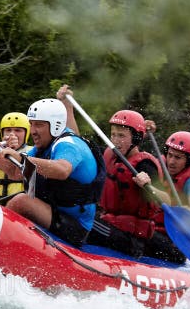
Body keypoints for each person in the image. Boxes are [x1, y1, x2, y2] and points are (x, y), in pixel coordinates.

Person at [56, 85, 182, 262]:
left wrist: (148, 185)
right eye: (113, 135)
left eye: (121, 136)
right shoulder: (109, 154)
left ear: (136, 138)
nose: (115, 140)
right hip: (111, 225)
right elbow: (76, 142)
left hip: (131, 239)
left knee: (85, 222)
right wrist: (67, 106)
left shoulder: (144, 164)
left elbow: (166, 201)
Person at [0, 98, 99, 247]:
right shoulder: (43, 146)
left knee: (21, 202)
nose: (32, 131)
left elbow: (62, 170)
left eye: (39, 125)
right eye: (31, 124)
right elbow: (15, 173)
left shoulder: (69, 144)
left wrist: (22, 158)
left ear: (55, 126)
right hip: (53, 213)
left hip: (76, 227)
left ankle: (0, 244)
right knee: (8, 201)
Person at [148, 124, 190, 223]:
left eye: (178, 157)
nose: (171, 161)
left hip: (181, 229)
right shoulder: (158, 166)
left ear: (188, 160)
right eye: (170, 155)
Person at [0, 112, 32, 201]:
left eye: (18, 130)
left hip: (20, 206)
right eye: (8, 130)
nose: (12, 134)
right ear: (2, 133)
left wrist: (13, 153)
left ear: (26, 133)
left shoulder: (33, 152)